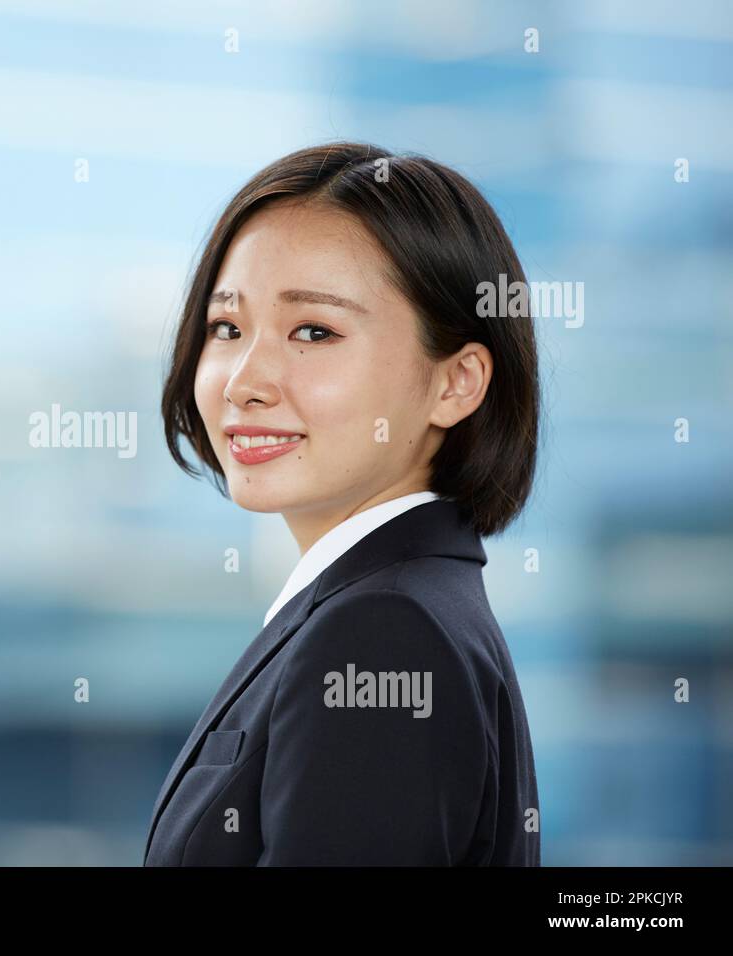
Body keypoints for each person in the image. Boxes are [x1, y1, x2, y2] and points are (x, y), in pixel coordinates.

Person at [145, 142, 541, 866]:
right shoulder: (403, 604)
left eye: (313, 332)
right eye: (227, 328)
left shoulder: (383, 631)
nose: (243, 381)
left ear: (456, 383)